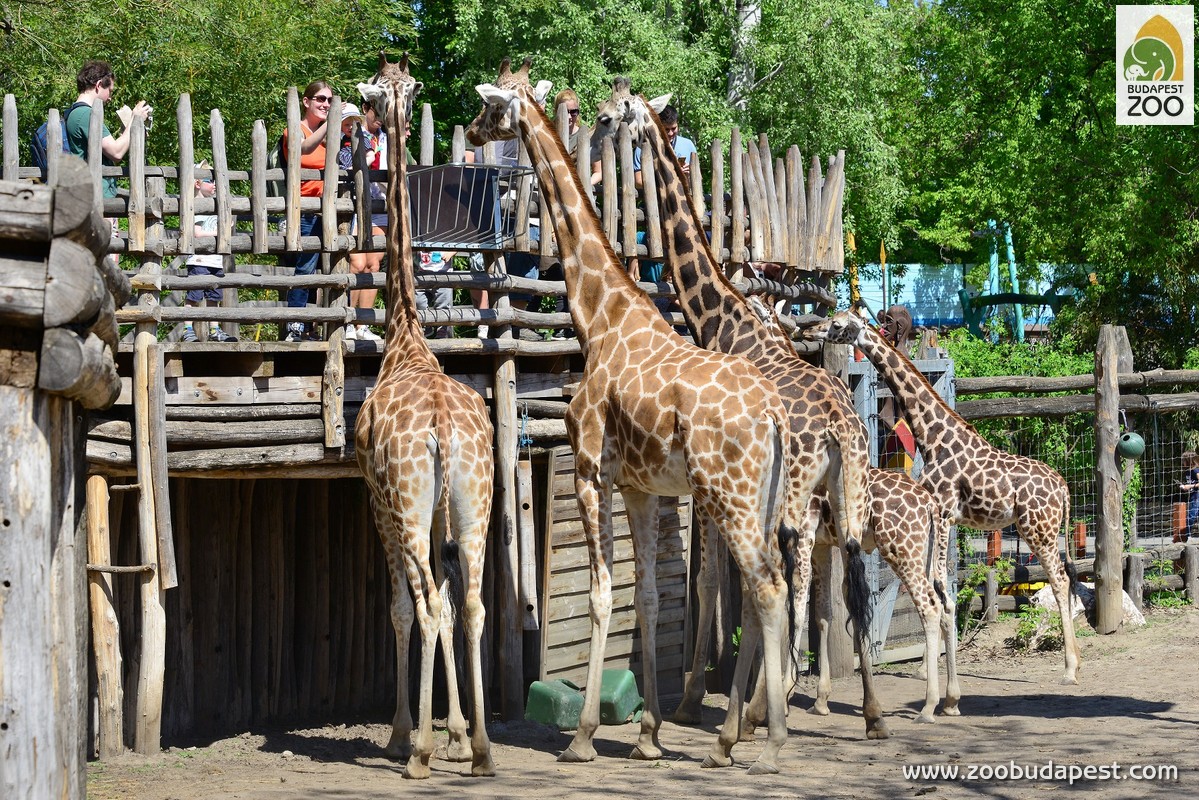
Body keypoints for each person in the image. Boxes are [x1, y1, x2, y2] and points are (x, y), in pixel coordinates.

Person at [65, 59, 151, 271]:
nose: (110, 97)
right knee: (106, 267)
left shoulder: (77, 113)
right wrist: (135, 119)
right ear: (98, 85)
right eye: (109, 90)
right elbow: (117, 151)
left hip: (95, 197)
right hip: (98, 199)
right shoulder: (85, 114)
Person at [281, 80, 333, 342]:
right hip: (305, 210)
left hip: (330, 210)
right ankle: (295, 326)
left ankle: (312, 326)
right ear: (306, 102)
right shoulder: (295, 129)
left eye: (329, 101)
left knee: (329, 270)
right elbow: (303, 150)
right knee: (305, 268)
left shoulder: (331, 132)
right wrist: (329, 125)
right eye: (320, 99)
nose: (325, 105)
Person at [628, 104, 696, 289]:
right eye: (667, 130)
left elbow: (693, 181)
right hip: (655, 206)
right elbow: (638, 180)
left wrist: (687, 175)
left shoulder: (687, 145)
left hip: (681, 206)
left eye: (674, 129)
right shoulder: (643, 146)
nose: (671, 133)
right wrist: (668, 174)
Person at [336, 101, 384, 342]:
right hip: (355, 205)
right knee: (355, 262)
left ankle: (362, 324)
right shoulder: (345, 136)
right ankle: (347, 319)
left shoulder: (383, 137)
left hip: (379, 202)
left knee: (373, 265)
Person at [181, 162, 237, 343]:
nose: (214, 184)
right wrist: (219, 233)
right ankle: (187, 329)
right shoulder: (197, 205)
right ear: (198, 184)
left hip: (214, 261)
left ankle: (215, 330)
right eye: (209, 181)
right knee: (193, 296)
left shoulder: (215, 205)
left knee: (214, 297)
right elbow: (197, 233)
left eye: (215, 181)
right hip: (199, 260)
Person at [1181, 451, 1199, 540]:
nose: (1182, 462)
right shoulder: (1188, 471)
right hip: (1193, 496)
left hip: (1197, 496)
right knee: (1192, 515)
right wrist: (1185, 487)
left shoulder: (1195, 470)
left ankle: (1186, 535)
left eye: (1184, 460)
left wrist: (1190, 486)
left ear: (1189, 461)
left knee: (1191, 516)